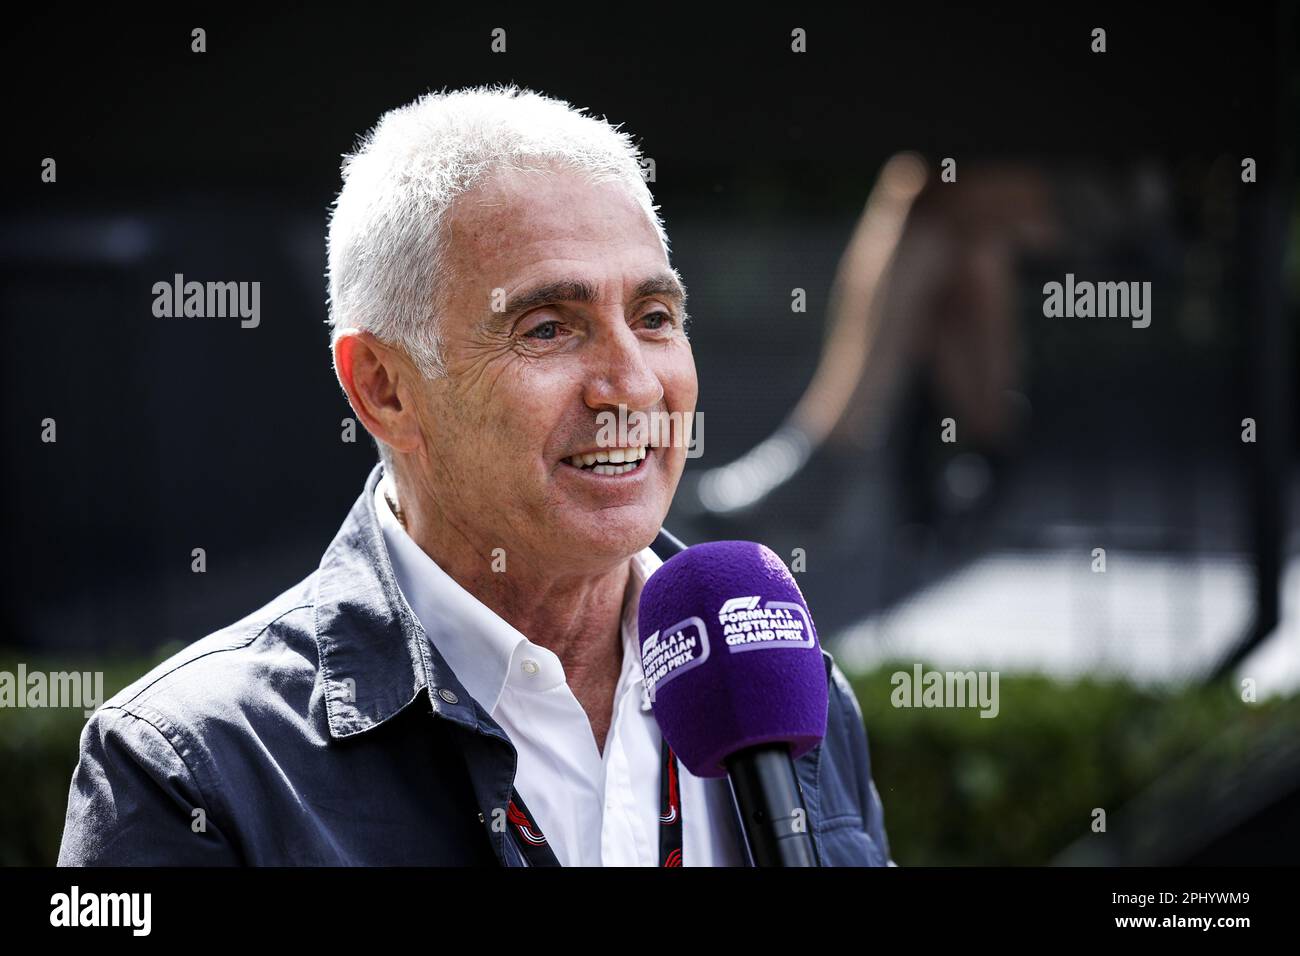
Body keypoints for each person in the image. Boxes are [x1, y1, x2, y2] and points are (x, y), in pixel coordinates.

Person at [57, 84, 892, 866]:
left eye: (653, 317)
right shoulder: (189, 767)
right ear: (383, 389)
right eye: (547, 328)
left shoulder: (785, 685)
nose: (633, 384)